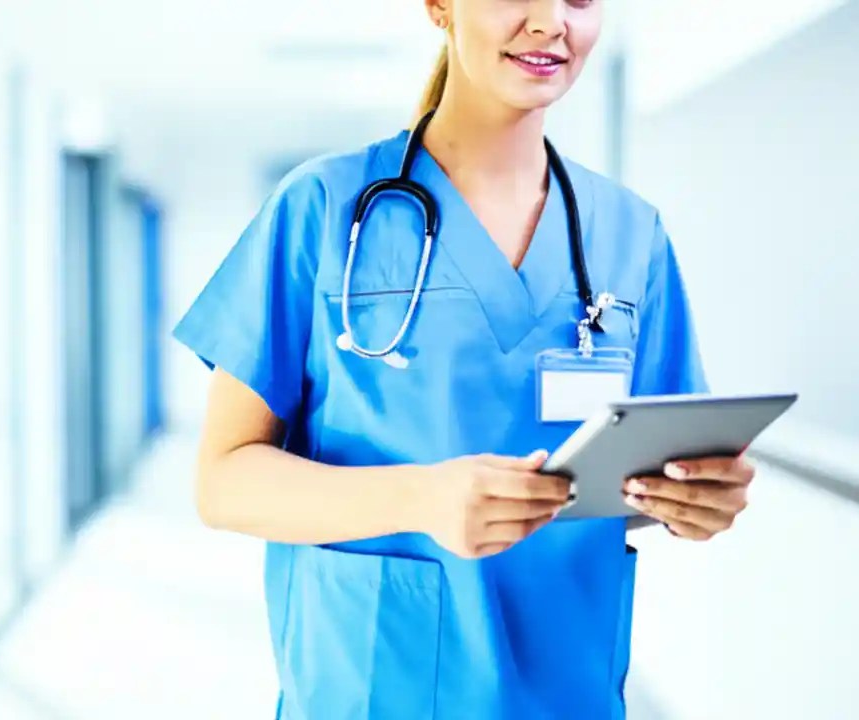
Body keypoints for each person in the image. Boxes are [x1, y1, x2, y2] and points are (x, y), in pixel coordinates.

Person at [172, 1, 756, 717]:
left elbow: (650, 470)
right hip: (373, 690)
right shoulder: (321, 208)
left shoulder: (632, 235)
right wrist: (420, 498)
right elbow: (223, 483)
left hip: (565, 692)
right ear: (439, 7)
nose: (550, 23)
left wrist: (695, 500)